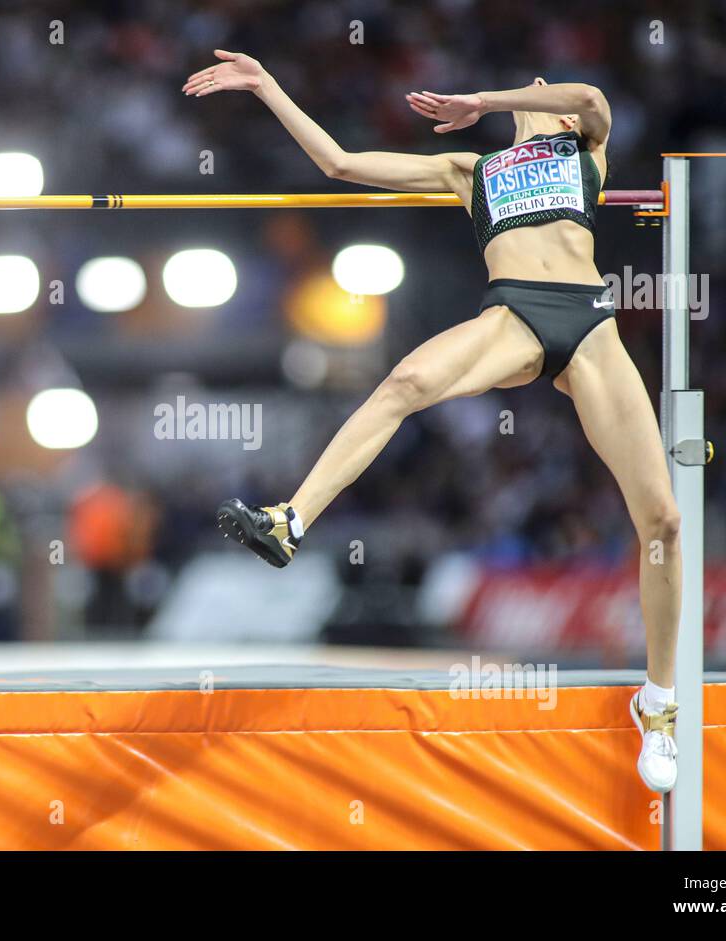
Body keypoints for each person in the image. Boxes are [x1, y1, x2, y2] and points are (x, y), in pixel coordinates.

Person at [185, 50, 682, 793]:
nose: (543, 88)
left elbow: (587, 92)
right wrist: (269, 87)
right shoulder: (469, 171)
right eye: (532, 85)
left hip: (589, 325)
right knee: (405, 381)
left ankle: (661, 701)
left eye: (542, 85)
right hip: (513, 314)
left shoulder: (587, 145)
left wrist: (483, 97)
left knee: (664, 521)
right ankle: (290, 518)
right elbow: (340, 164)